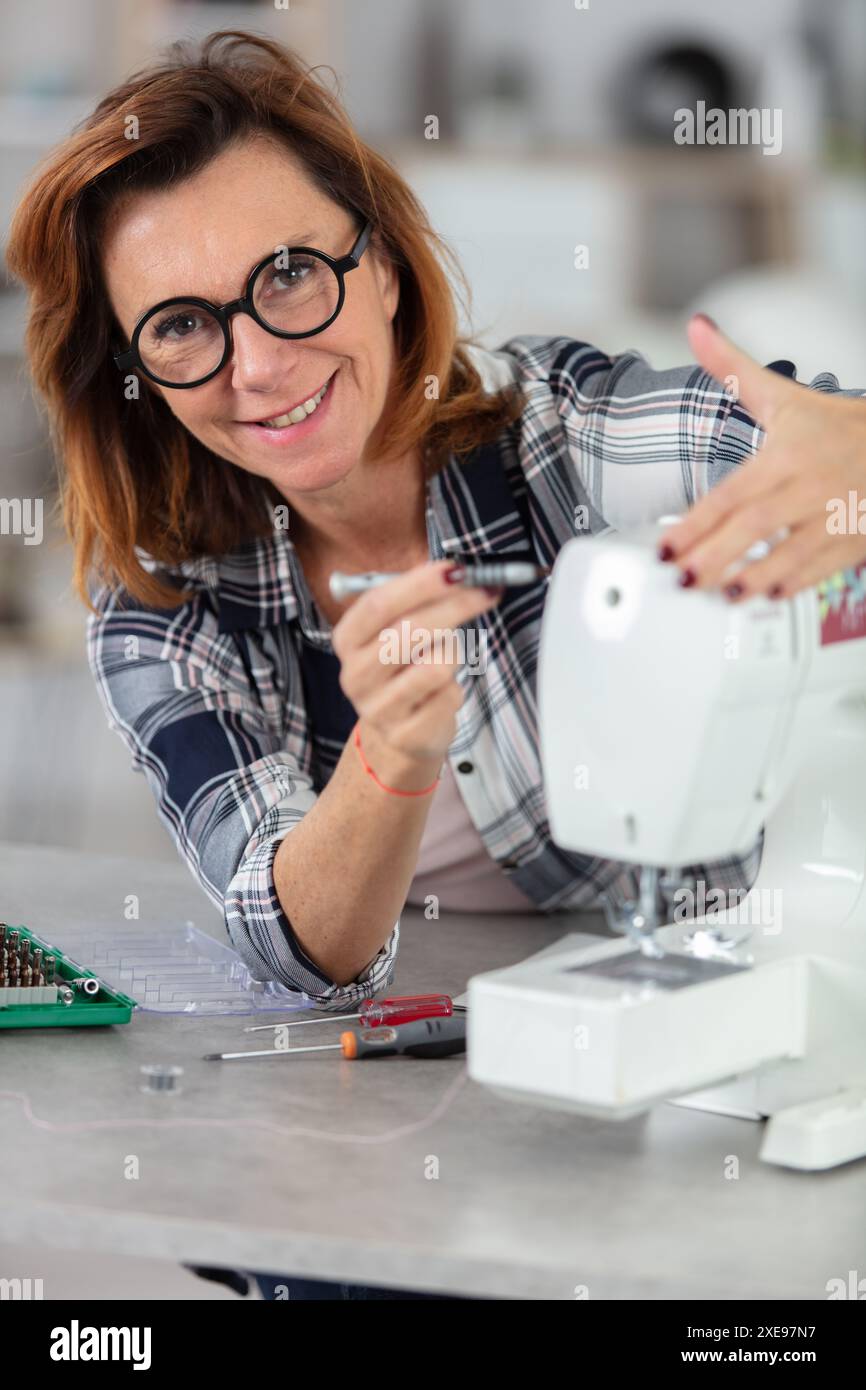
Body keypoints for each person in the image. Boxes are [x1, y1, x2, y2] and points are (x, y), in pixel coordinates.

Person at [7, 31, 865, 1300]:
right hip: (419, 1088)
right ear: (135, 375)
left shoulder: (569, 441)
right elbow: (298, 944)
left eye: (289, 276)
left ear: (385, 269)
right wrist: (389, 759)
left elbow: (795, 443)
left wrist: (844, 453)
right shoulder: (160, 606)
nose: (257, 365)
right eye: (183, 326)